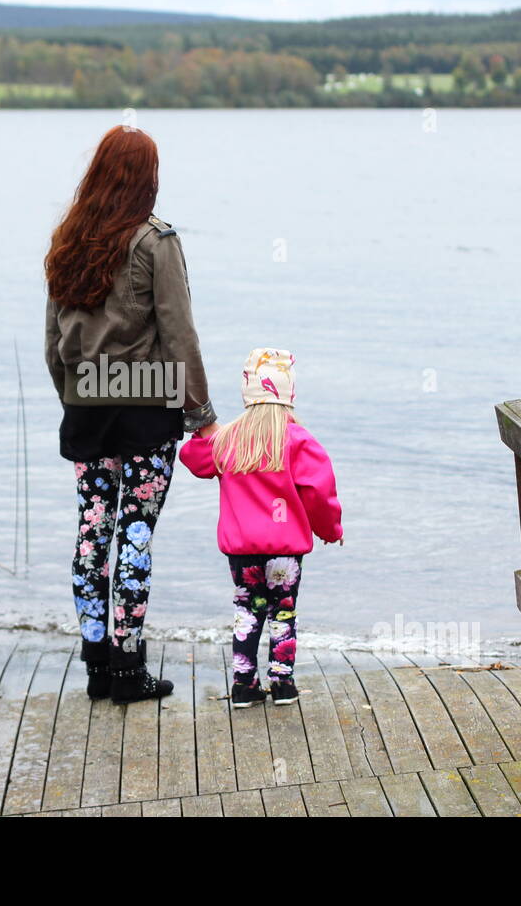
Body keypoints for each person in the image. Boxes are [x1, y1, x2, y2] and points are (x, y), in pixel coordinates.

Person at [44, 125, 217, 705]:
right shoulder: (155, 242)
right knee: (135, 539)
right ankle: (129, 670)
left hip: (86, 404)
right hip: (147, 407)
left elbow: (53, 342)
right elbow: (180, 334)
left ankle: (96, 668)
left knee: (93, 534)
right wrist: (202, 414)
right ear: (147, 178)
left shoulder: (68, 239)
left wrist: (73, 396)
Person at [180, 348, 342, 707]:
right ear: (289, 394)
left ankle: (243, 685)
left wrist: (204, 431)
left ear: (246, 393)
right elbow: (320, 492)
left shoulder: (228, 439)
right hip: (286, 550)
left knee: (247, 609)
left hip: (242, 549)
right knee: (283, 610)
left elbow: (194, 460)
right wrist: (330, 530)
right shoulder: (299, 440)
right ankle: (282, 683)